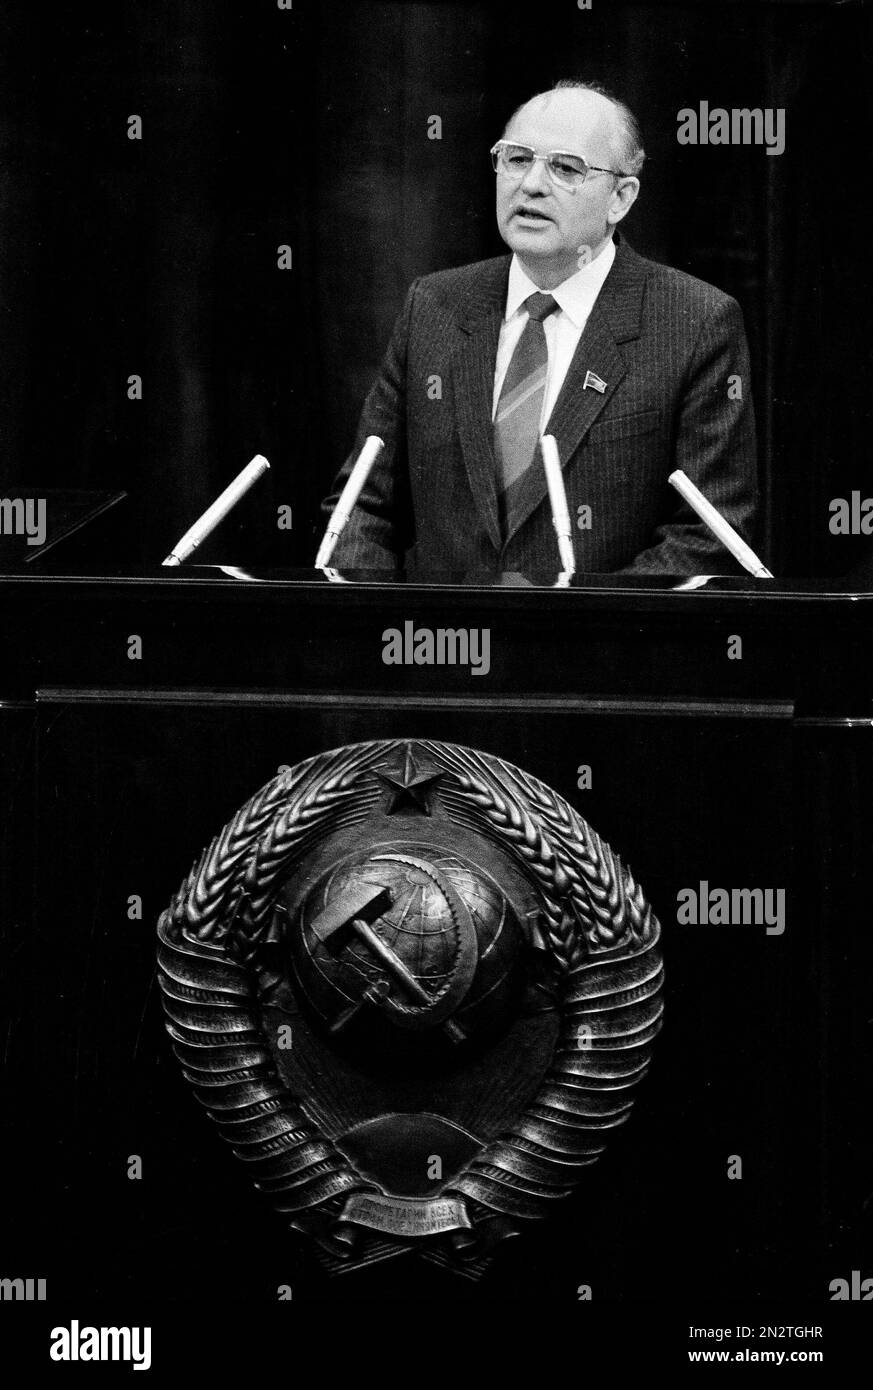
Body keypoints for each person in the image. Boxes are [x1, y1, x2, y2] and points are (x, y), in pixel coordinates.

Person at [320, 80, 759, 577]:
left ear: (621, 197)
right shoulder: (435, 306)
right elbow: (361, 508)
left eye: (565, 168)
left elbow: (710, 532)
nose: (530, 184)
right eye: (517, 159)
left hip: (595, 647)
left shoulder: (693, 320)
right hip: (441, 644)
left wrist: (565, 635)